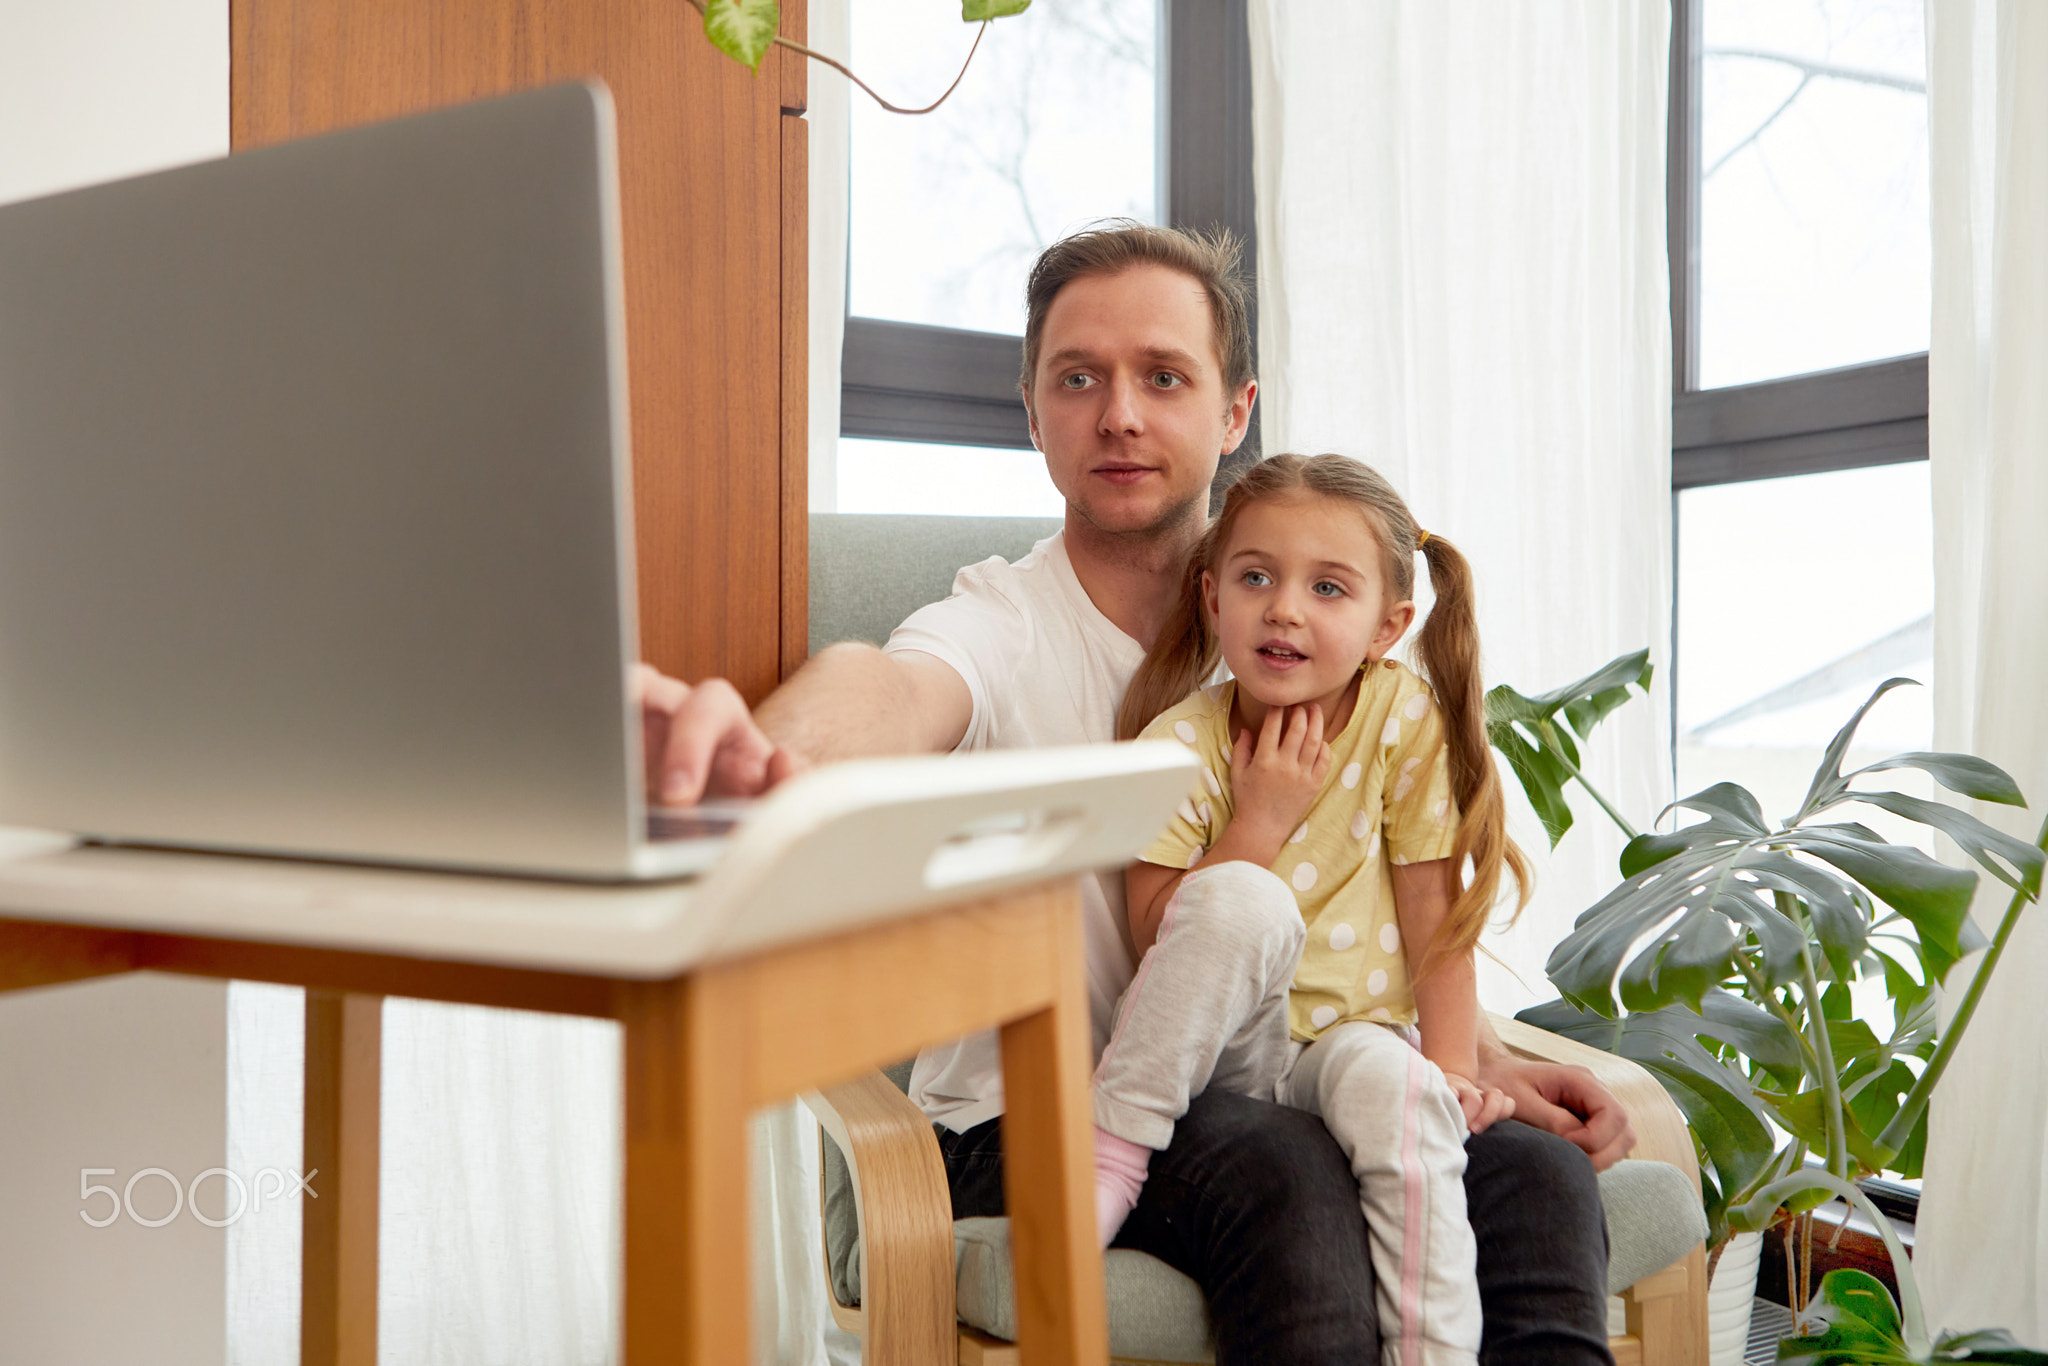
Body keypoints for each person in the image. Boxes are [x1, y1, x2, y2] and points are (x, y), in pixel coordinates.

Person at [638, 221, 1630, 1363]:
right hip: (1027, 1119)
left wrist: (1474, 1067)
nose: (1118, 413)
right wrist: (762, 760)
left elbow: (1391, 914)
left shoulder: (1304, 628)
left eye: (1162, 376)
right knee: (1277, 1164)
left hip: (1292, 1075)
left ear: (1233, 410)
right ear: (1032, 411)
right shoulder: (997, 624)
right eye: (1077, 378)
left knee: (1538, 1176)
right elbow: (886, 690)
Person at [1092, 451, 1533, 1365]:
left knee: (1403, 1092)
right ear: (1214, 599)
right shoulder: (1180, 743)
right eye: (1257, 578)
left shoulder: (1401, 719)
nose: (1284, 608)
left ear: (1387, 625)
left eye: (1328, 589)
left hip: (1349, 1039)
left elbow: (1430, 908)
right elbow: (1160, 938)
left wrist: (1451, 1065)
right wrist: (1258, 822)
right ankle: (1113, 1151)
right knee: (1243, 897)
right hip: (1224, 1056)